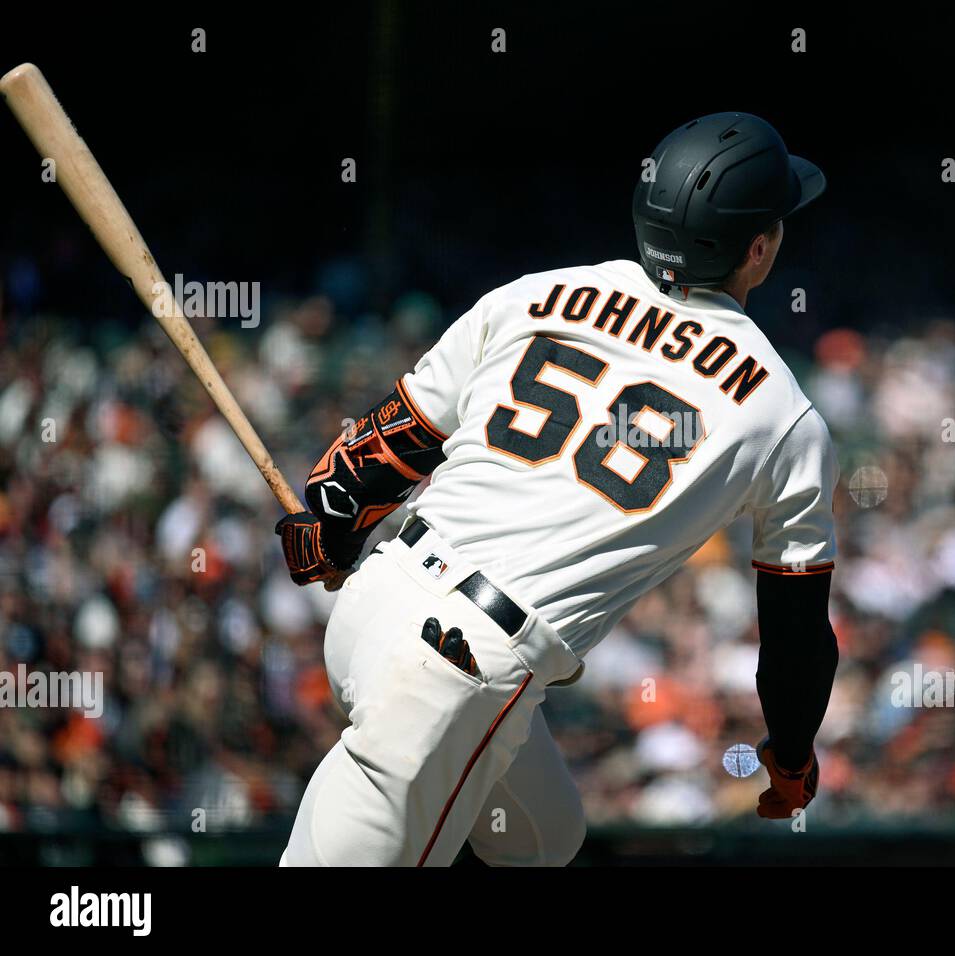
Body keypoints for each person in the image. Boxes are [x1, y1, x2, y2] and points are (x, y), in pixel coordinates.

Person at [275, 112, 840, 866]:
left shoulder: (538, 293)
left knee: (543, 839)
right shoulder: (781, 410)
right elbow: (796, 639)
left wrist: (332, 528)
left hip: (378, 602)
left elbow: (381, 452)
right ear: (760, 249)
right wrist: (793, 757)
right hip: (460, 670)